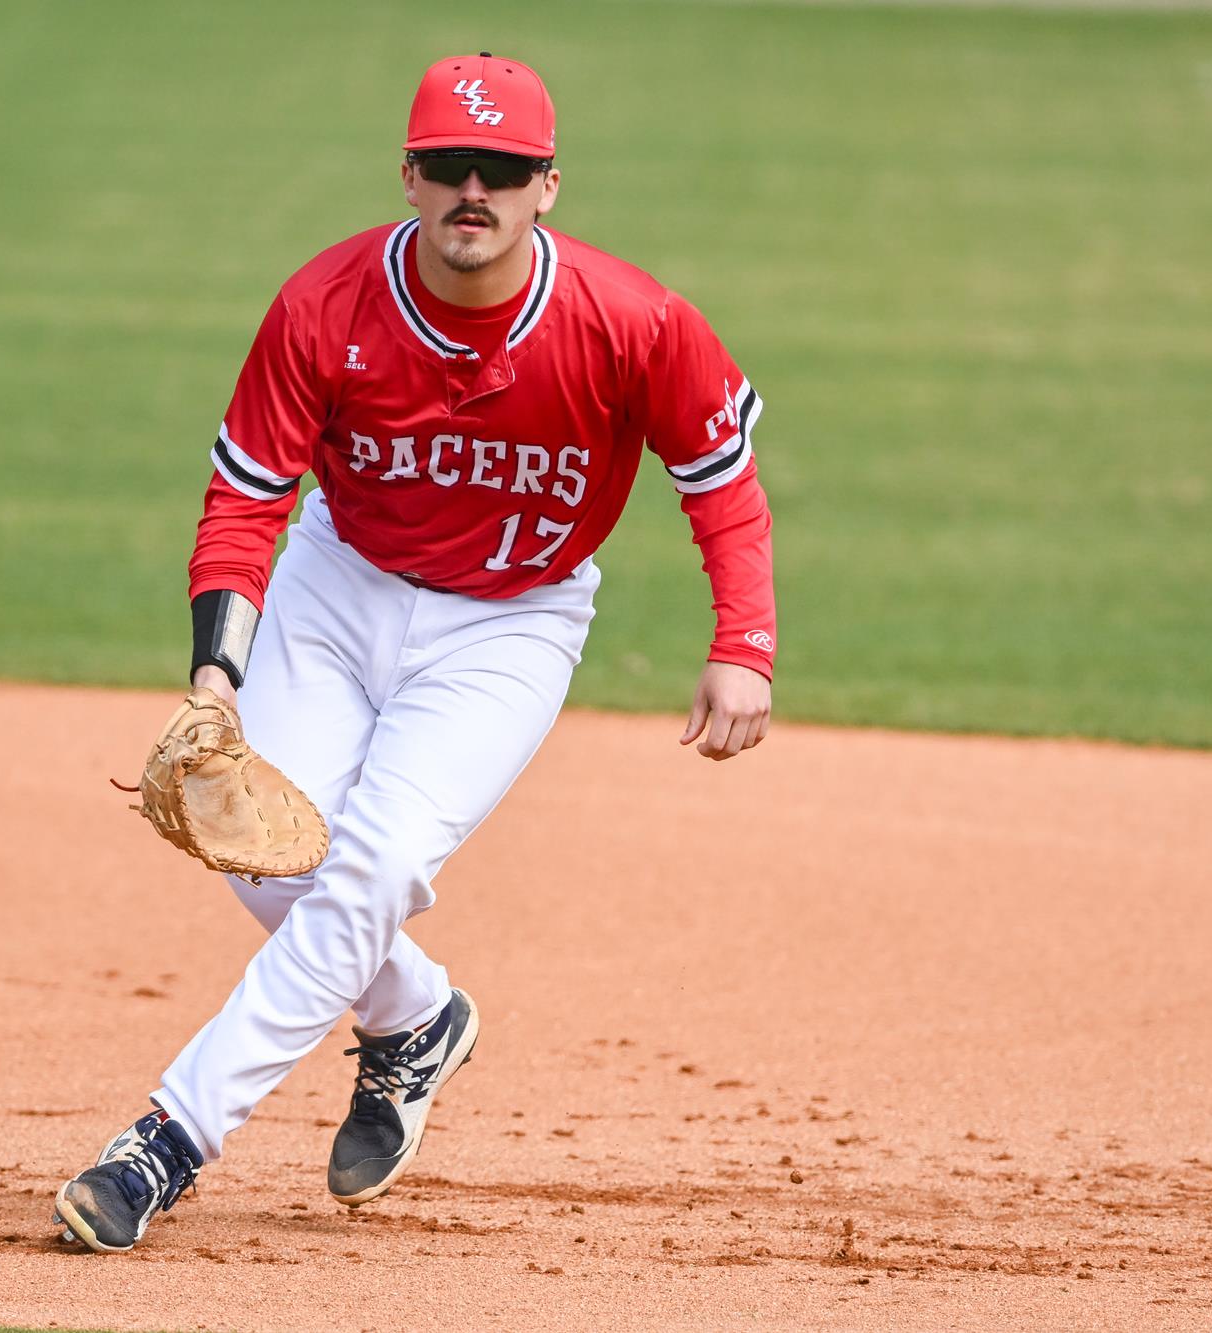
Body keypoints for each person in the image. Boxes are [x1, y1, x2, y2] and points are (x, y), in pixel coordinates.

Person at [53, 51, 776, 1253]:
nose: (472, 190)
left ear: (549, 184)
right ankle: (417, 1017)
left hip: (512, 619)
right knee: (264, 850)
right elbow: (245, 502)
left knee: (373, 861)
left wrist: (741, 640)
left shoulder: (633, 323)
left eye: (501, 169)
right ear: (410, 175)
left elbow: (722, 481)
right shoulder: (323, 306)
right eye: (449, 166)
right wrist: (215, 675)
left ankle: (166, 1140)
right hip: (337, 584)